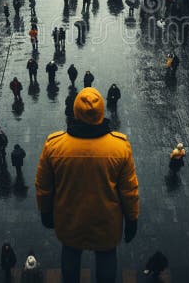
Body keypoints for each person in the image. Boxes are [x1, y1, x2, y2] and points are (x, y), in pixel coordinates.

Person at [36, 87, 139, 283]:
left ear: (75, 112)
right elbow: (129, 191)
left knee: (70, 255)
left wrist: (46, 211)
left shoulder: (54, 146)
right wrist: (132, 219)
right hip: (107, 221)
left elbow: (43, 186)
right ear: (102, 113)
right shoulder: (120, 147)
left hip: (69, 218)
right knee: (107, 257)